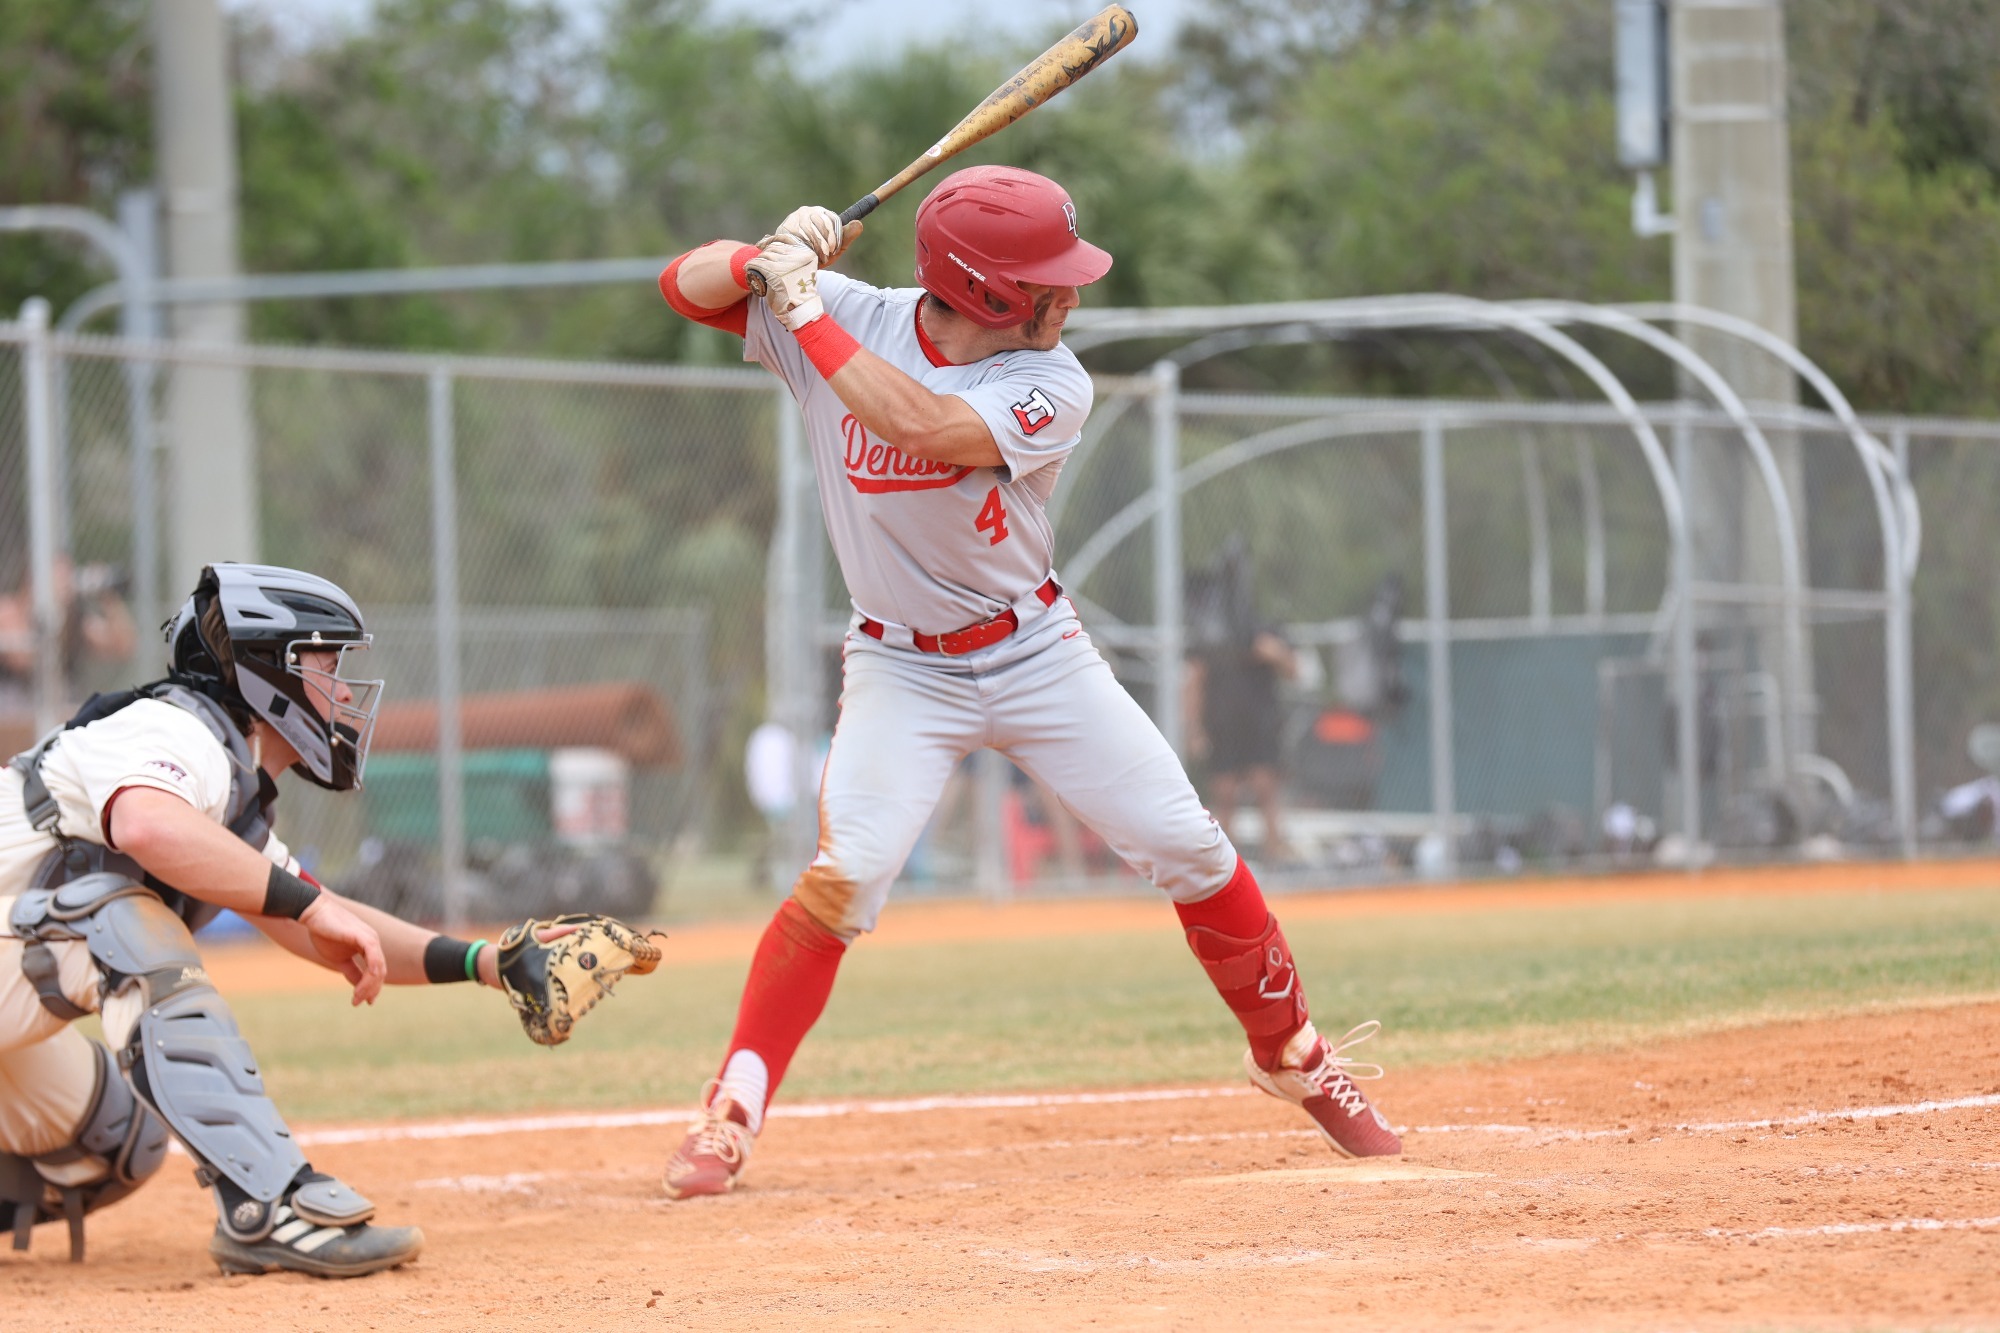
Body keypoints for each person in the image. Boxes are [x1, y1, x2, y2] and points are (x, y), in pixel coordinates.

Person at [653, 165, 1402, 1201]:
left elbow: (919, 425)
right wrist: (759, 259)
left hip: (1034, 651)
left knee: (1189, 844)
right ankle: (730, 1109)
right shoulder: (849, 312)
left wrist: (802, 309)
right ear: (989, 290)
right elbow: (679, 288)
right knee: (846, 875)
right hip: (899, 665)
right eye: (1050, 282)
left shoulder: (1047, 380)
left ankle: (1291, 1054)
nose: (1072, 296)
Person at [0, 562, 640, 1277]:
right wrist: (312, 903)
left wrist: (485, 962)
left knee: (114, 1135)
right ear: (265, 667)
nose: (342, 688)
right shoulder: (169, 729)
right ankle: (272, 1207)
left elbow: (317, 923)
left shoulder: (222, 784)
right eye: (326, 662)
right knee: (115, 919)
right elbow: (148, 827)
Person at [1184, 536, 1300, 864]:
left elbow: (1295, 669)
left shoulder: (1264, 623)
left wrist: (1273, 652)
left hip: (1260, 720)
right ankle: (1226, 863)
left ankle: (1274, 853)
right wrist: (1193, 729)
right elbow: (1194, 680)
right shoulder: (1208, 628)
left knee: (1265, 785)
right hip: (1222, 722)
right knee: (1225, 793)